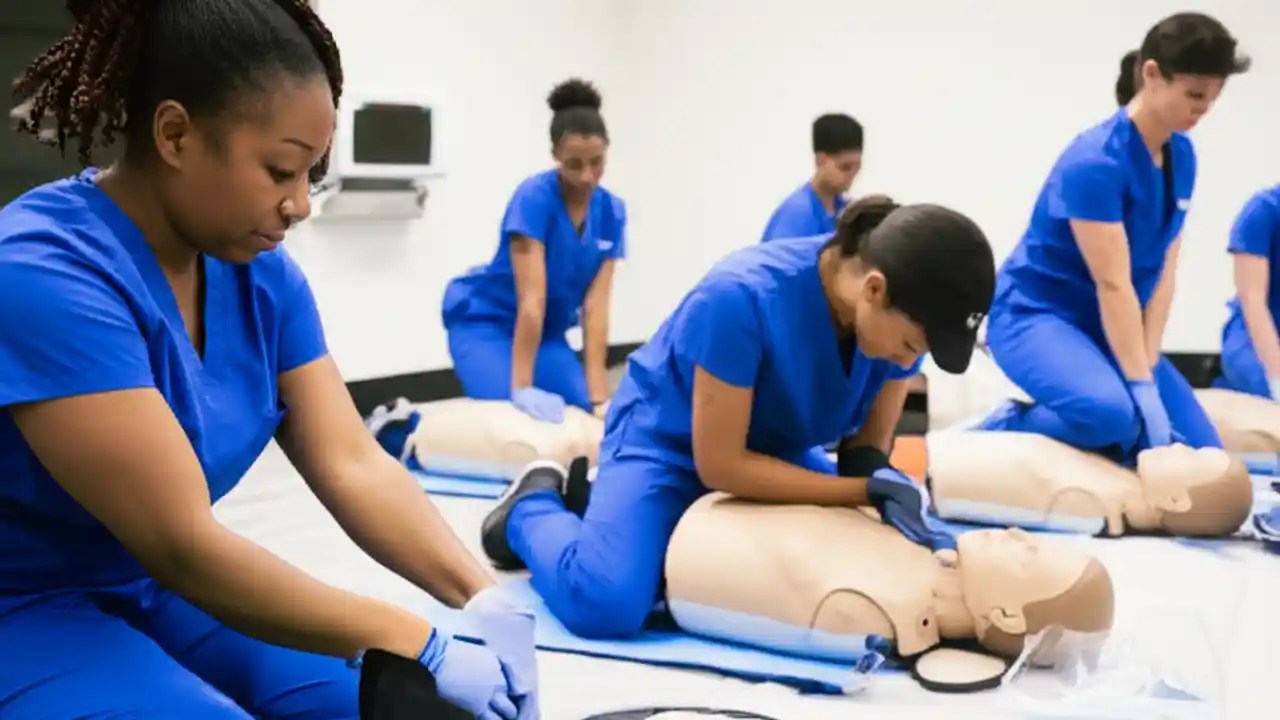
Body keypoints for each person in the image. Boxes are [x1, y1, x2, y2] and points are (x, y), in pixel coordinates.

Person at [0, 2, 537, 718]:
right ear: (175, 134)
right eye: (281, 170)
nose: (300, 205)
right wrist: (421, 640)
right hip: (22, 606)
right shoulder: (41, 271)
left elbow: (352, 460)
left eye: (312, 175)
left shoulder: (261, 275)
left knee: (404, 708)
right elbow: (182, 543)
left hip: (158, 588)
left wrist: (479, 596)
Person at [478, 194, 997, 639]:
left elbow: (864, 455)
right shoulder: (741, 296)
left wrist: (895, 505)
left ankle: (601, 506)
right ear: (874, 290)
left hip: (778, 448)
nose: (909, 364)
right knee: (608, 603)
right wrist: (864, 494)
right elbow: (722, 467)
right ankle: (536, 506)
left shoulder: (901, 324)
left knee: (860, 553)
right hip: (669, 444)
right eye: (910, 346)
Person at [979, 12, 1250, 466]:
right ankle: (1007, 425)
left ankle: (1119, 407)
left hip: (1109, 325)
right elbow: (1113, 285)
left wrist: (1146, 366)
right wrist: (1140, 391)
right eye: (1194, 94)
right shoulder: (1095, 162)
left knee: (1204, 454)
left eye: (1214, 97)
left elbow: (1164, 273)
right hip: (1038, 316)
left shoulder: (1182, 155)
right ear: (1151, 75)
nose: (1203, 108)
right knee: (1113, 418)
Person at [441, 78, 627, 424]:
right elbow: (532, 299)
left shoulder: (612, 211)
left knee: (581, 413)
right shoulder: (534, 198)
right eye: (574, 164)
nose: (587, 176)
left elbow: (596, 307)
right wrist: (522, 387)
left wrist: (599, 400)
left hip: (547, 335)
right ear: (555, 155)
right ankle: (399, 429)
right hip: (489, 323)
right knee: (514, 420)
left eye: (597, 162)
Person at [1213, 184, 1280, 400]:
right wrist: (1277, 379)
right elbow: (1252, 299)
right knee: (1258, 381)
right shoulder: (1264, 209)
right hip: (1254, 334)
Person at [759, 113, 863, 242]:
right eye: (845, 167)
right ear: (820, 160)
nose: (852, 175)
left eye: (857, 167)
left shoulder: (844, 210)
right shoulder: (797, 216)